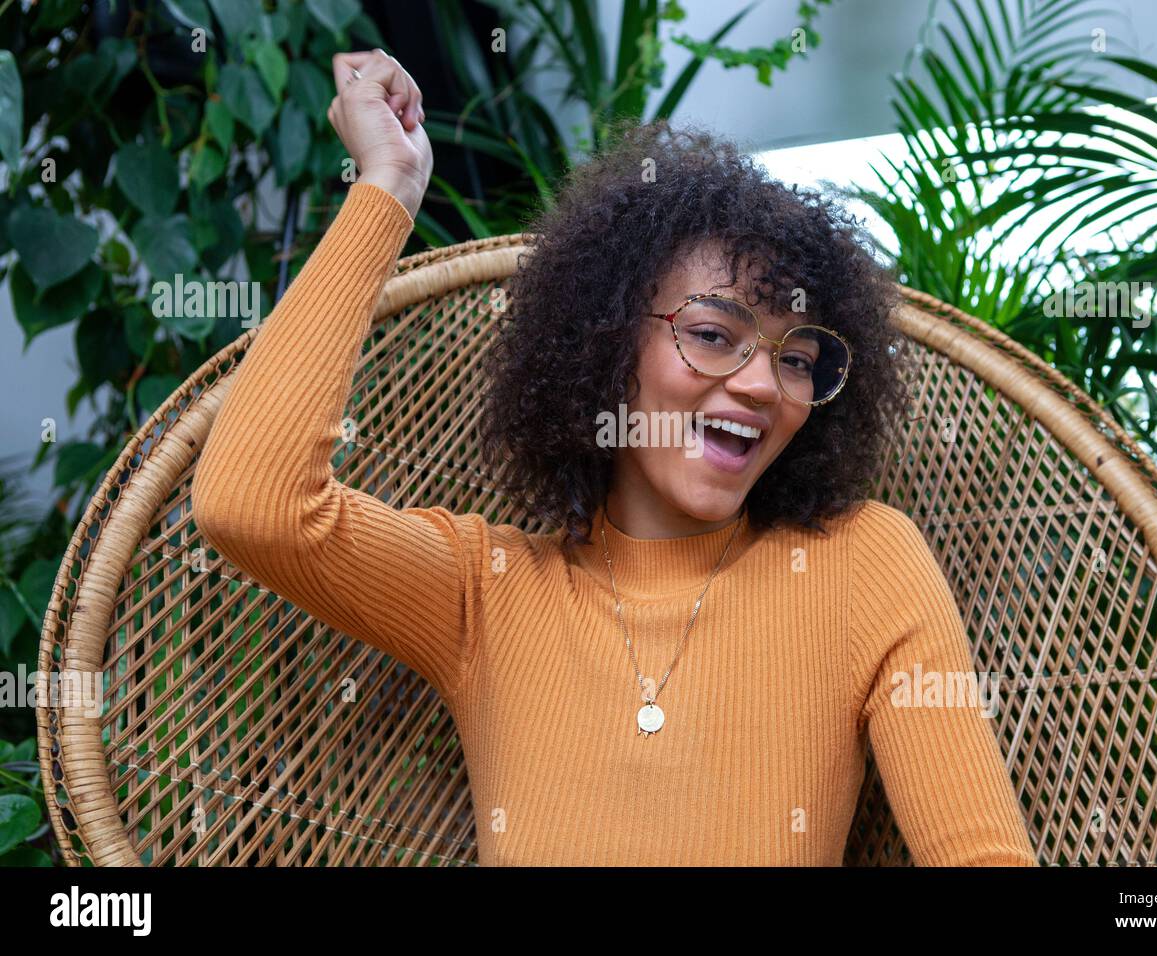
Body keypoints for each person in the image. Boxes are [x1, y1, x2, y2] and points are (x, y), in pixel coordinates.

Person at [192, 48, 1038, 867]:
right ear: (601, 345)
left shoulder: (862, 564)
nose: (762, 386)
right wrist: (387, 191)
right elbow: (250, 505)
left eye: (797, 360)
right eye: (712, 336)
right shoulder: (482, 590)